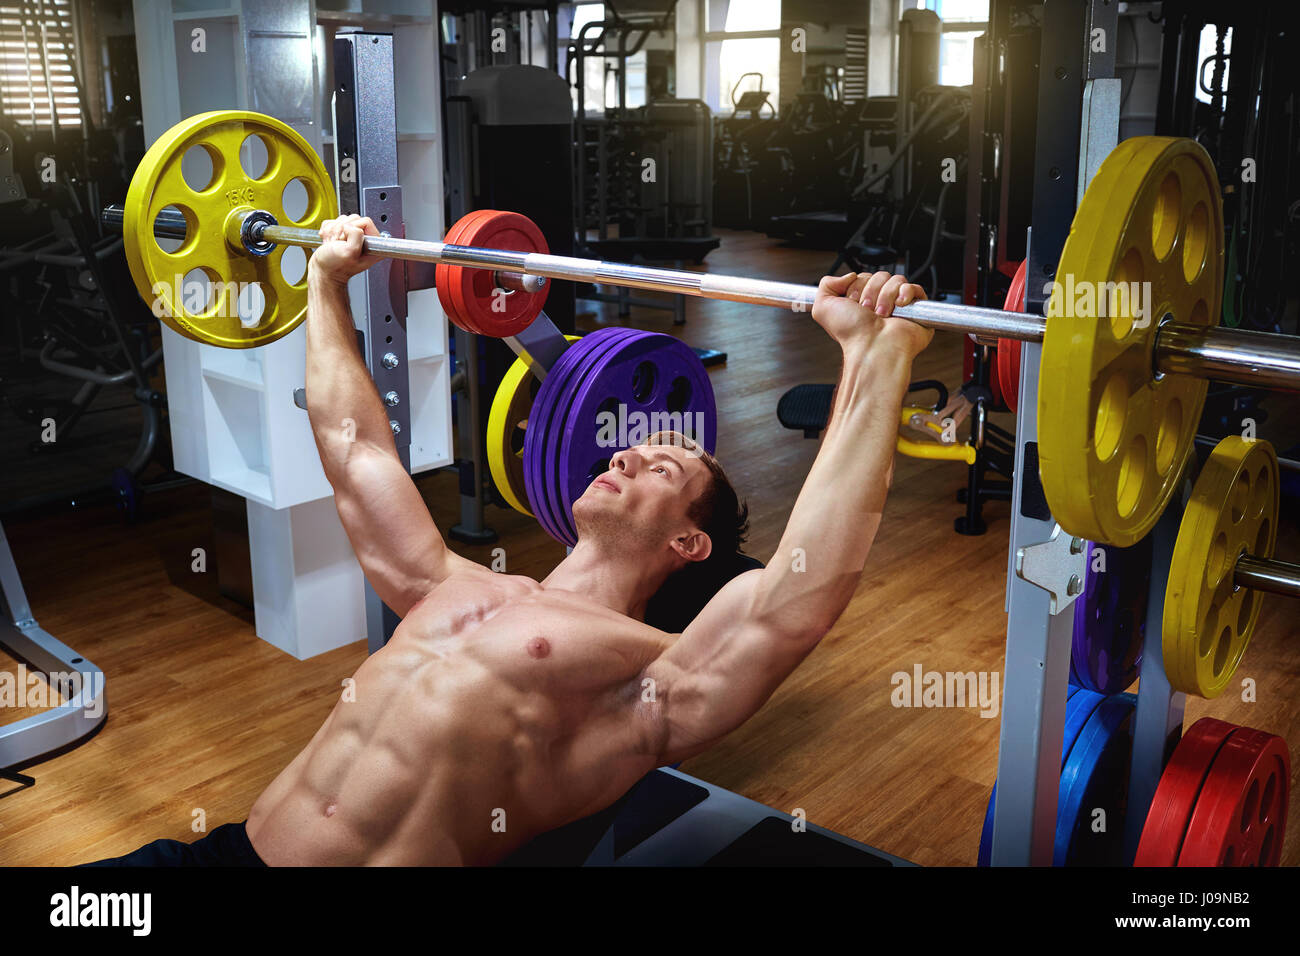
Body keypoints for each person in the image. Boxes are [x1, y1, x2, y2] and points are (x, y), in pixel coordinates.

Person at [85, 215, 930, 866]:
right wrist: (324, 279)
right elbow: (354, 451)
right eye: (635, 446)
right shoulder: (442, 584)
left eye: (664, 470)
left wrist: (877, 356)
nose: (629, 450)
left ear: (688, 545)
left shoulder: (646, 680)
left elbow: (797, 598)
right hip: (220, 858)